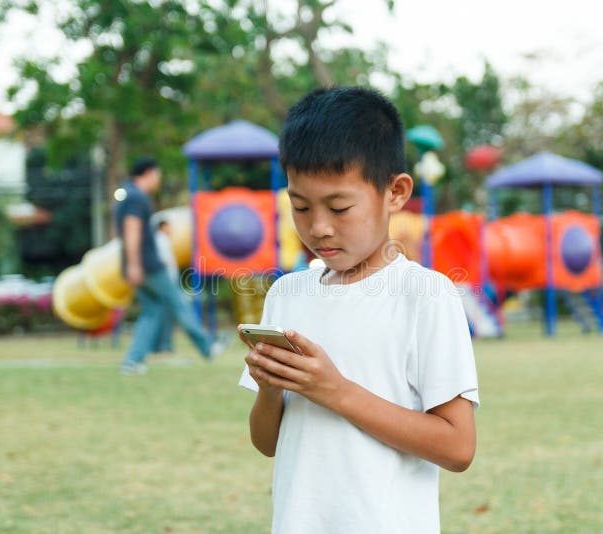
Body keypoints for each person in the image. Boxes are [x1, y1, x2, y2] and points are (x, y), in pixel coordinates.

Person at [238, 87, 479, 533]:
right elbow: (268, 443)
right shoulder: (286, 295)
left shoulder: (425, 296)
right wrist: (270, 388)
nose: (319, 227)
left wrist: (335, 391)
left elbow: (458, 446)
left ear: (396, 192)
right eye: (301, 207)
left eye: (340, 207)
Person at [115, 157, 222, 375]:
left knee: (152, 311)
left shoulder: (126, 195)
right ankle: (207, 346)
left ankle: (132, 360)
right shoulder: (137, 198)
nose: (158, 180)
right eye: (157, 175)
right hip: (149, 266)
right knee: (180, 304)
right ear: (148, 173)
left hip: (137, 265)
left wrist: (130, 264)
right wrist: (135, 264)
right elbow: (131, 228)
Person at [153, 219, 178, 353]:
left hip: (167, 283)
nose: (171, 230)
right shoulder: (161, 241)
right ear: (162, 227)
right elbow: (165, 263)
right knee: (166, 316)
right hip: (166, 284)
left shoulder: (163, 241)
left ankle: (163, 345)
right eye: (169, 227)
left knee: (163, 315)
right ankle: (164, 346)